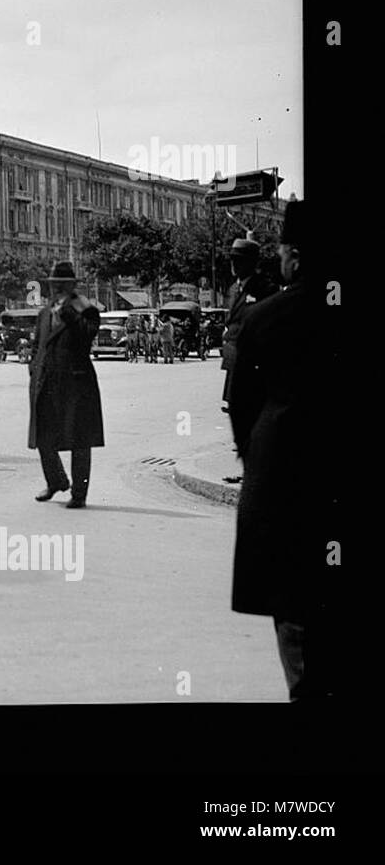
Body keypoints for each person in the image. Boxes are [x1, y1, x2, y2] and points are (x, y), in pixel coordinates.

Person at [228, 202, 339, 702]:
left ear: (293, 255)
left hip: (284, 475)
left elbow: (242, 407)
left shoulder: (265, 316)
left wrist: (256, 457)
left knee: (294, 607)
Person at [28, 261, 104, 509]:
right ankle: (56, 480)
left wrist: (69, 314)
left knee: (79, 439)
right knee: (43, 436)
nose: (55, 289)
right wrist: (33, 366)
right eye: (53, 285)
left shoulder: (85, 308)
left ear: (71, 286)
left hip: (76, 381)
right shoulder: (45, 310)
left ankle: (79, 493)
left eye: (60, 285)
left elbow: (87, 335)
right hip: (48, 381)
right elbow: (38, 343)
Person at [221, 235, 278, 409]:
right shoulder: (234, 289)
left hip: (254, 364)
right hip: (234, 360)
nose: (234, 264)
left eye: (239, 260)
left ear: (252, 263)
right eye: (232, 260)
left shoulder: (265, 288)